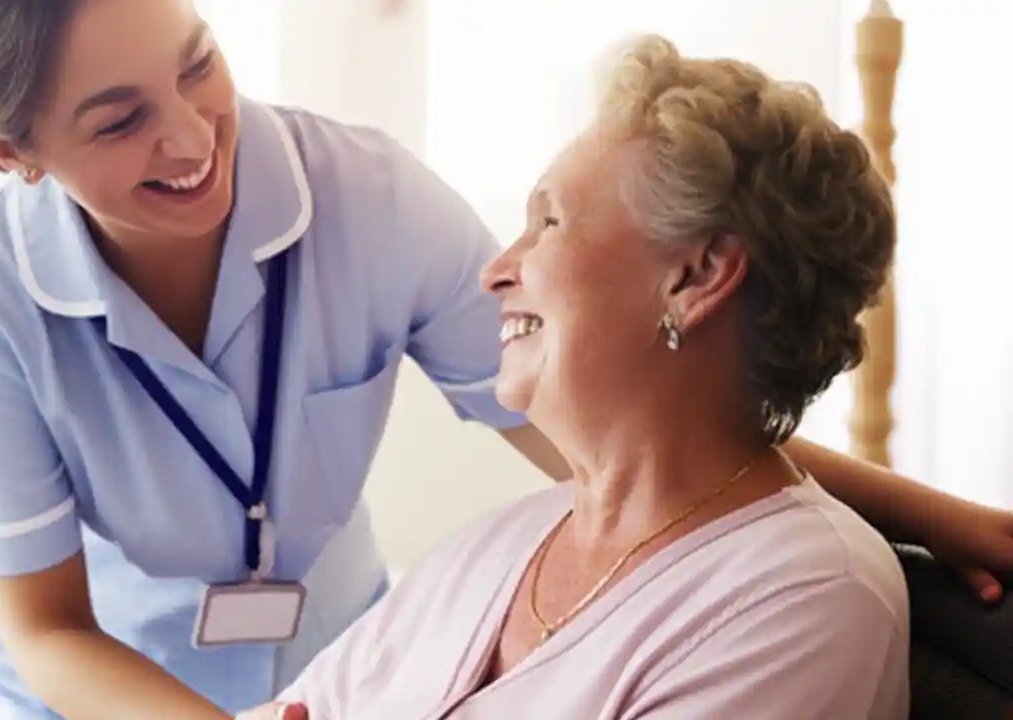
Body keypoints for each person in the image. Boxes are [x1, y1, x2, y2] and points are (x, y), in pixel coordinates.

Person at [0, 1, 1013, 717]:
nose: (192, 139)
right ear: (15, 154)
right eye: (116, 122)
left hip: (317, 644)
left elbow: (664, 444)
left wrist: (928, 515)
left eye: (200, 65)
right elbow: (46, 629)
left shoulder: (367, 201)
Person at [270, 34, 909, 719]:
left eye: (549, 221)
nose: (496, 271)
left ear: (696, 277)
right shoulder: (499, 546)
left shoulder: (807, 598)